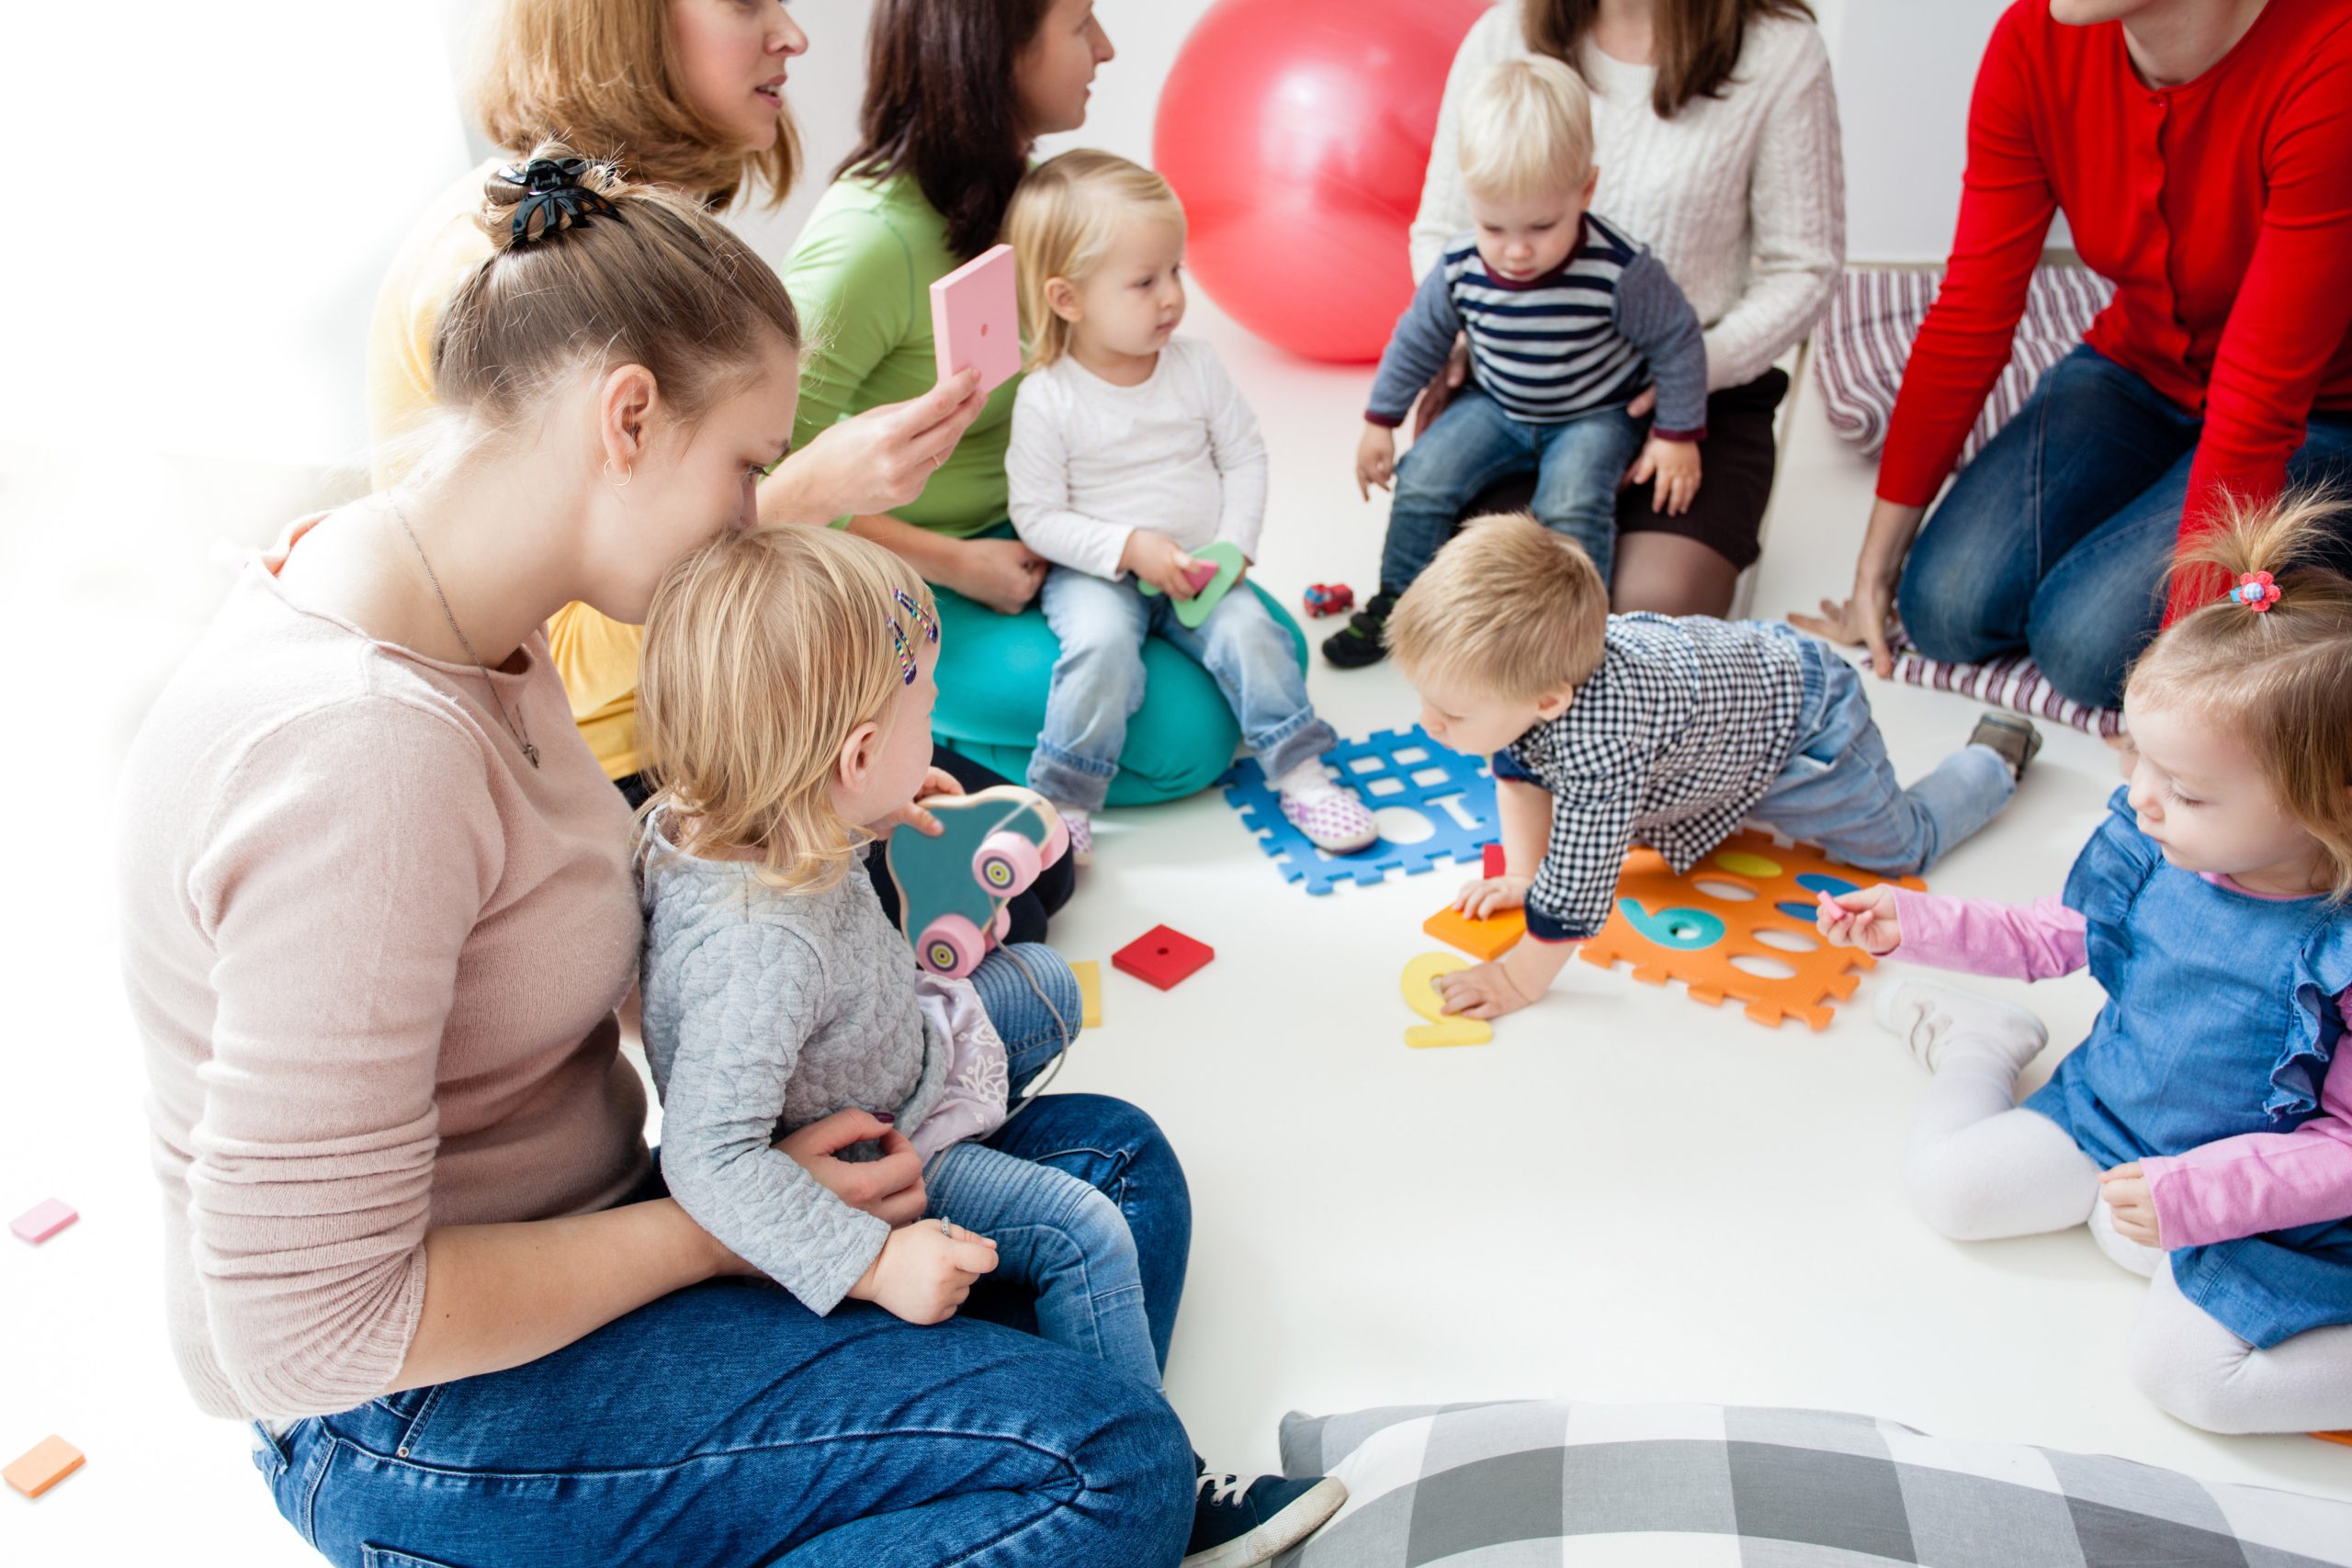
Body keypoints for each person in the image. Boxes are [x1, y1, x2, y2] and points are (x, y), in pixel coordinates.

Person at [119, 149, 1196, 1565]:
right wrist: (728, 1228)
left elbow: (586, 895)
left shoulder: (472, 613)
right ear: (628, 417)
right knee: (1110, 1469)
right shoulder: (358, 755)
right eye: (749, 464)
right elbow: (301, 1333)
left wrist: (822, 813)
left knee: (1116, 1172)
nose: (761, 510)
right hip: (417, 1403)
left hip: (599, 1225)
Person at [633, 525, 1348, 1565]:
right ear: (856, 755)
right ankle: (1170, 1500)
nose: (937, 731)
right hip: (886, 1148)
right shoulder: (762, 949)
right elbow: (707, 1155)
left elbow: (794, 849)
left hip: (898, 1038)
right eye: (925, 710)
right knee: (1087, 1232)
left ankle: (1013, 1345)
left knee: (1049, 991)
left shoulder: (717, 817)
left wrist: (869, 815)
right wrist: (874, 1260)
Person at [365, 0, 1013, 898]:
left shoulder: (621, 238)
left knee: (1003, 853)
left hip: (673, 704)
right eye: (746, 3)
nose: (793, 35)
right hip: (612, 740)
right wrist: (800, 496)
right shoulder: (508, 281)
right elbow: (561, 653)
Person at [1819, 492, 2352, 1434]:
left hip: (2260, 1205)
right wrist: (1915, 923)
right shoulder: (2150, 849)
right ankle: (1977, 1046)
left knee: (2183, 1378)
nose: (2141, 801)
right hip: (2107, 1112)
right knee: (1954, 1190)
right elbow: (2051, 935)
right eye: (2135, 762)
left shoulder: (2334, 949)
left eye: (2184, 791)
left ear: (2328, 811)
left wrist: (2200, 1195)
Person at [1797, 0, 2352, 710]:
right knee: (1940, 607)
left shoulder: (2328, 55)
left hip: (2318, 408)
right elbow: (1972, 309)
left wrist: (2187, 702)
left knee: (2087, 650)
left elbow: (2258, 406)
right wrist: (1873, 568)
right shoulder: (2033, 39)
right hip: (2136, 367)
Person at [1383, 514, 2037, 1021]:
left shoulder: (1598, 743)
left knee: (1900, 848)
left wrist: (1515, 978)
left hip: (1804, 732)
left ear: (1550, 700)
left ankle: (1993, 759)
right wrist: (1526, 874)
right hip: (1718, 727)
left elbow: (1580, 892)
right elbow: (1519, 770)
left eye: (1451, 714)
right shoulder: (1537, 687)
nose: (1427, 725)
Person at [1372, 0, 1840, 636]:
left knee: (1646, 606)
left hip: (1697, 383)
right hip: (1517, 378)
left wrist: (1690, 384)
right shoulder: (1508, 30)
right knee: (1484, 588)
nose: (1520, 242)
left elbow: (1803, 268)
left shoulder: (1778, 49)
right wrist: (1465, 331)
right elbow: (1443, 229)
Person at [1005, 152, 1376, 856]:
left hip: (1201, 569)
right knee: (1101, 646)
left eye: (1175, 271)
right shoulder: (1047, 397)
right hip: (1097, 574)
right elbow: (1037, 515)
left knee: (1255, 636)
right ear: (1067, 299)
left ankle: (1302, 772)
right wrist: (1127, 548)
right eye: (1144, 282)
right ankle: (1065, 798)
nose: (1172, 296)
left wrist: (1234, 546)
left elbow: (1244, 456)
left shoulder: (1196, 367)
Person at [1329, 56, 1707, 669]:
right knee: (1422, 476)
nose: (1516, 249)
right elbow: (1417, 341)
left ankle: (1579, 639)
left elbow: (1678, 339)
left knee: (1571, 504)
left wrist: (1676, 434)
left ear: (1585, 190)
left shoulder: (1619, 268)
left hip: (1595, 412)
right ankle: (1400, 604)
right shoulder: (1460, 266)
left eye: (1540, 225)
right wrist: (1381, 420)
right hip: (1498, 403)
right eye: (1493, 225)